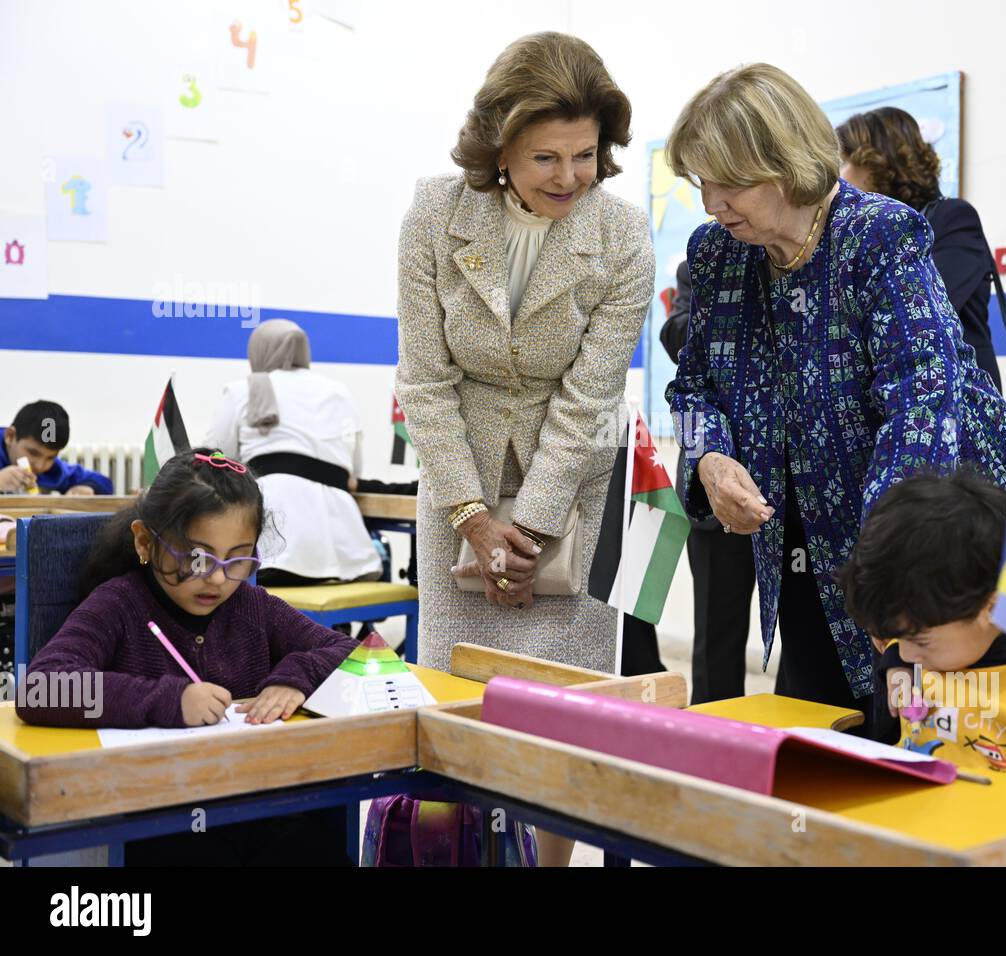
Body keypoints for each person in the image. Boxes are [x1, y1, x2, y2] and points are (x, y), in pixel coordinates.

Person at [664, 64, 1006, 740]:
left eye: (729, 182)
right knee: (826, 735)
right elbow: (691, 387)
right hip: (794, 537)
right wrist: (710, 456)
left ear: (784, 161)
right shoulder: (717, 254)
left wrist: (881, 566)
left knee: (927, 748)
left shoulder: (881, 235)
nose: (711, 203)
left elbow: (923, 398)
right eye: (700, 183)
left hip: (915, 550)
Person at [395, 33, 654, 867]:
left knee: (561, 717)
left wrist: (534, 525)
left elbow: (590, 399)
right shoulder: (435, 214)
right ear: (497, 144)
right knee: (454, 694)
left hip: (573, 485)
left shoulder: (621, 237)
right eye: (545, 156)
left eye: (586, 155)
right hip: (457, 481)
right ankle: (452, 854)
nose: (569, 177)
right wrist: (472, 516)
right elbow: (425, 383)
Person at [18, 448, 356, 864]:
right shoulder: (119, 605)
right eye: (197, 557)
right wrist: (170, 700)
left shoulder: (252, 606)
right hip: (161, 819)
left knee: (317, 842)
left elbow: (351, 652)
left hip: (254, 804)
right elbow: (43, 687)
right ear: (145, 541)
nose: (217, 578)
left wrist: (292, 678)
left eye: (236, 559)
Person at [839, 472, 1006, 774]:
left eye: (920, 641)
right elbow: (900, 650)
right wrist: (895, 669)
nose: (910, 655)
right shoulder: (925, 648)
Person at [837, 107, 1004, 390]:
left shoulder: (953, 218)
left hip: (958, 398)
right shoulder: (862, 235)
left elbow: (919, 309)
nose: (837, 179)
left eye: (842, 164)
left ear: (876, 162)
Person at [205, 319, 381, 585]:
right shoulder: (339, 392)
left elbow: (215, 463)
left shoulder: (243, 390)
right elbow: (354, 472)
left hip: (274, 552)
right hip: (347, 554)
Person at [660, 258, 757, 703]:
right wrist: (724, 314)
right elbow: (673, 334)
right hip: (714, 483)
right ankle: (713, 747)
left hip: (801, 487)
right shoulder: (702, 264)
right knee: (716, 633)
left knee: (809, 640)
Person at [1, 400, 112, 495]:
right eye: (33, 453)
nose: (40, 466)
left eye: (50, 458)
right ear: (10, 436)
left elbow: (105, 483)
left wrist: (87, 488)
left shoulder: (52, 470)